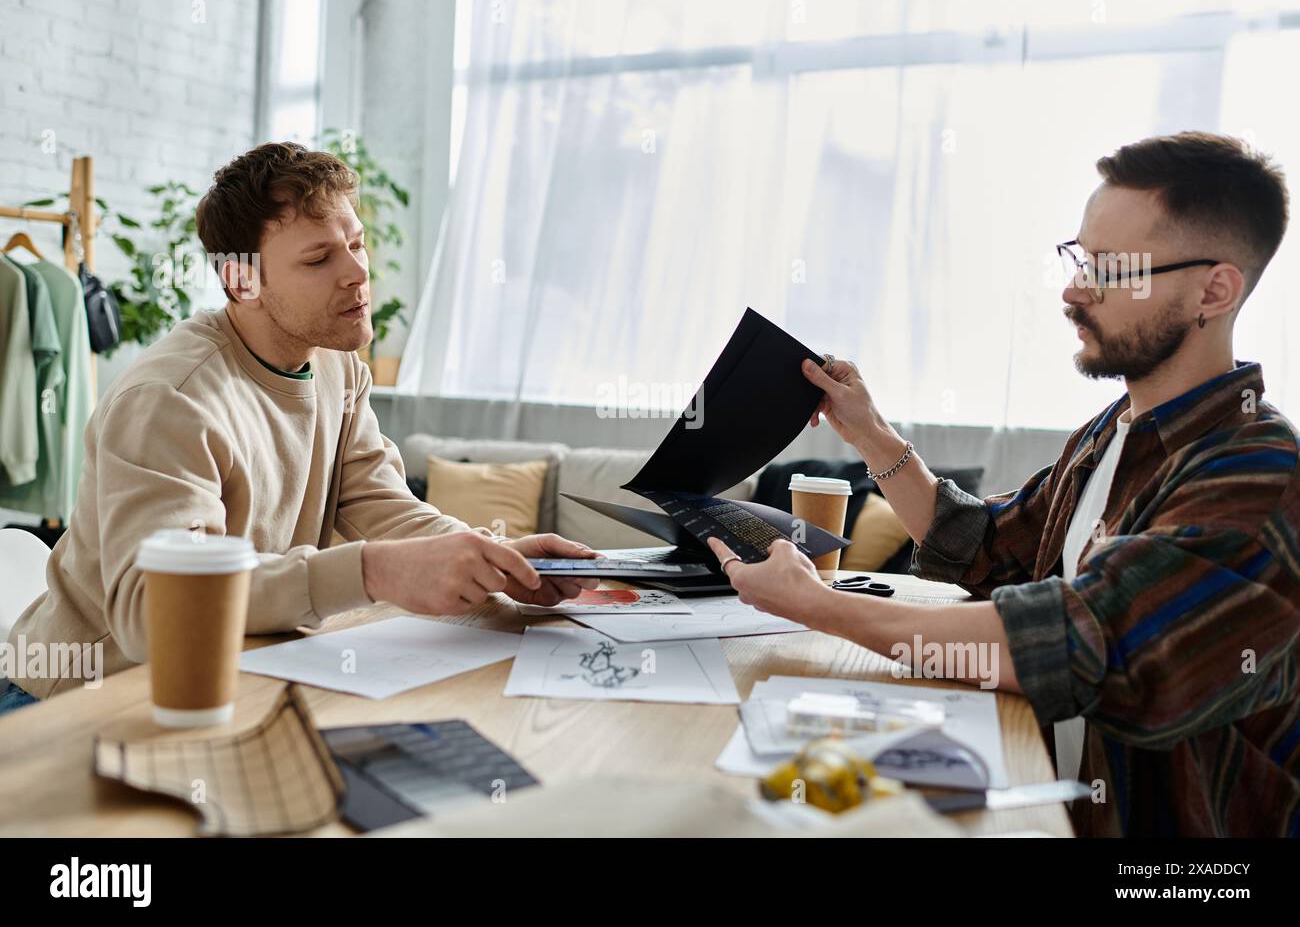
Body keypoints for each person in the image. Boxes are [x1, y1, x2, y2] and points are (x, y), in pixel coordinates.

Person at [708, 131, 1299, 837]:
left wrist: (817, 605)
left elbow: (1085, 643)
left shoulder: (1259, 474)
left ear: (1214, 289)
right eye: (1080, 258)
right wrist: (868, 431)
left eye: (1110, 269)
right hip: (1049, 795)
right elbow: (987, 547)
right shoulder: (1112, 433)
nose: (1074, 290)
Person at [2, 142, 597, 712]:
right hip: (74, 702)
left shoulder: (335, 364)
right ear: (242, 281)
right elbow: (154, 610)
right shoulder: (169, 400)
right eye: (318, 259)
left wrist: (493, 559)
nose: (357, 273)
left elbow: (381, 504)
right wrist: (371, 570)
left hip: (225, 681)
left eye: (357, 244)